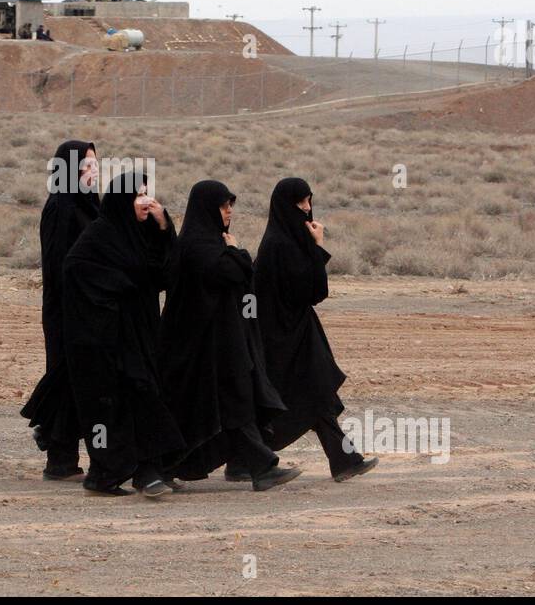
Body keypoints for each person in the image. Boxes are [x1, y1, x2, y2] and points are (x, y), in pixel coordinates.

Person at [231, 178, 376, 483]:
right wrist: (318, 248)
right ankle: (248, 459)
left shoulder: (281, 241)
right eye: (300, 203)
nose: (307, 210)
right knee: (309, 397)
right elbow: (313, 291)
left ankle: (341, 459)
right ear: (286, 206)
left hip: (294, 335)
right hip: (286, 339)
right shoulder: (280, 245)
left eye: (309, 201)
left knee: (312, 397)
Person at [160, 181, 302, 492]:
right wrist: (237, 250)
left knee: (226, 404)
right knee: (219, 405)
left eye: (230, 207)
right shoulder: (198, 247)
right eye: (224, 207)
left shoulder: (209, 244)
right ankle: (260, 466)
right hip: (201, 347)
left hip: (220, 343)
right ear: (207, 209)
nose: (229, 213)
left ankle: (250, 466)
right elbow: (233, 272)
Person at [62, 171, 185, 497]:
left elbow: (165, 275)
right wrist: (120, 290)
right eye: (138, 196)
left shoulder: (142, 234)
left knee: (144, 396)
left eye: (147, 195)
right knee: (124, 403)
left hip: (142, 333)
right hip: (108, 339)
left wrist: (163, 228)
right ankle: (117, 474)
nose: (146, 202)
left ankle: (145, 472)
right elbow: (76, 270)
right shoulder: (99, 236)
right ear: (121, 201)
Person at [21, 140, 100, 480]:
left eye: (96, 164)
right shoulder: (61, 207)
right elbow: (58, 266)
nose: (94, 171)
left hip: (90, 308)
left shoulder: (89, 205)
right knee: (66, 375)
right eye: (87, 165)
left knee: (77, 379)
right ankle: (58, 453)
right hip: (67, 309)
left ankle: (54, 437)